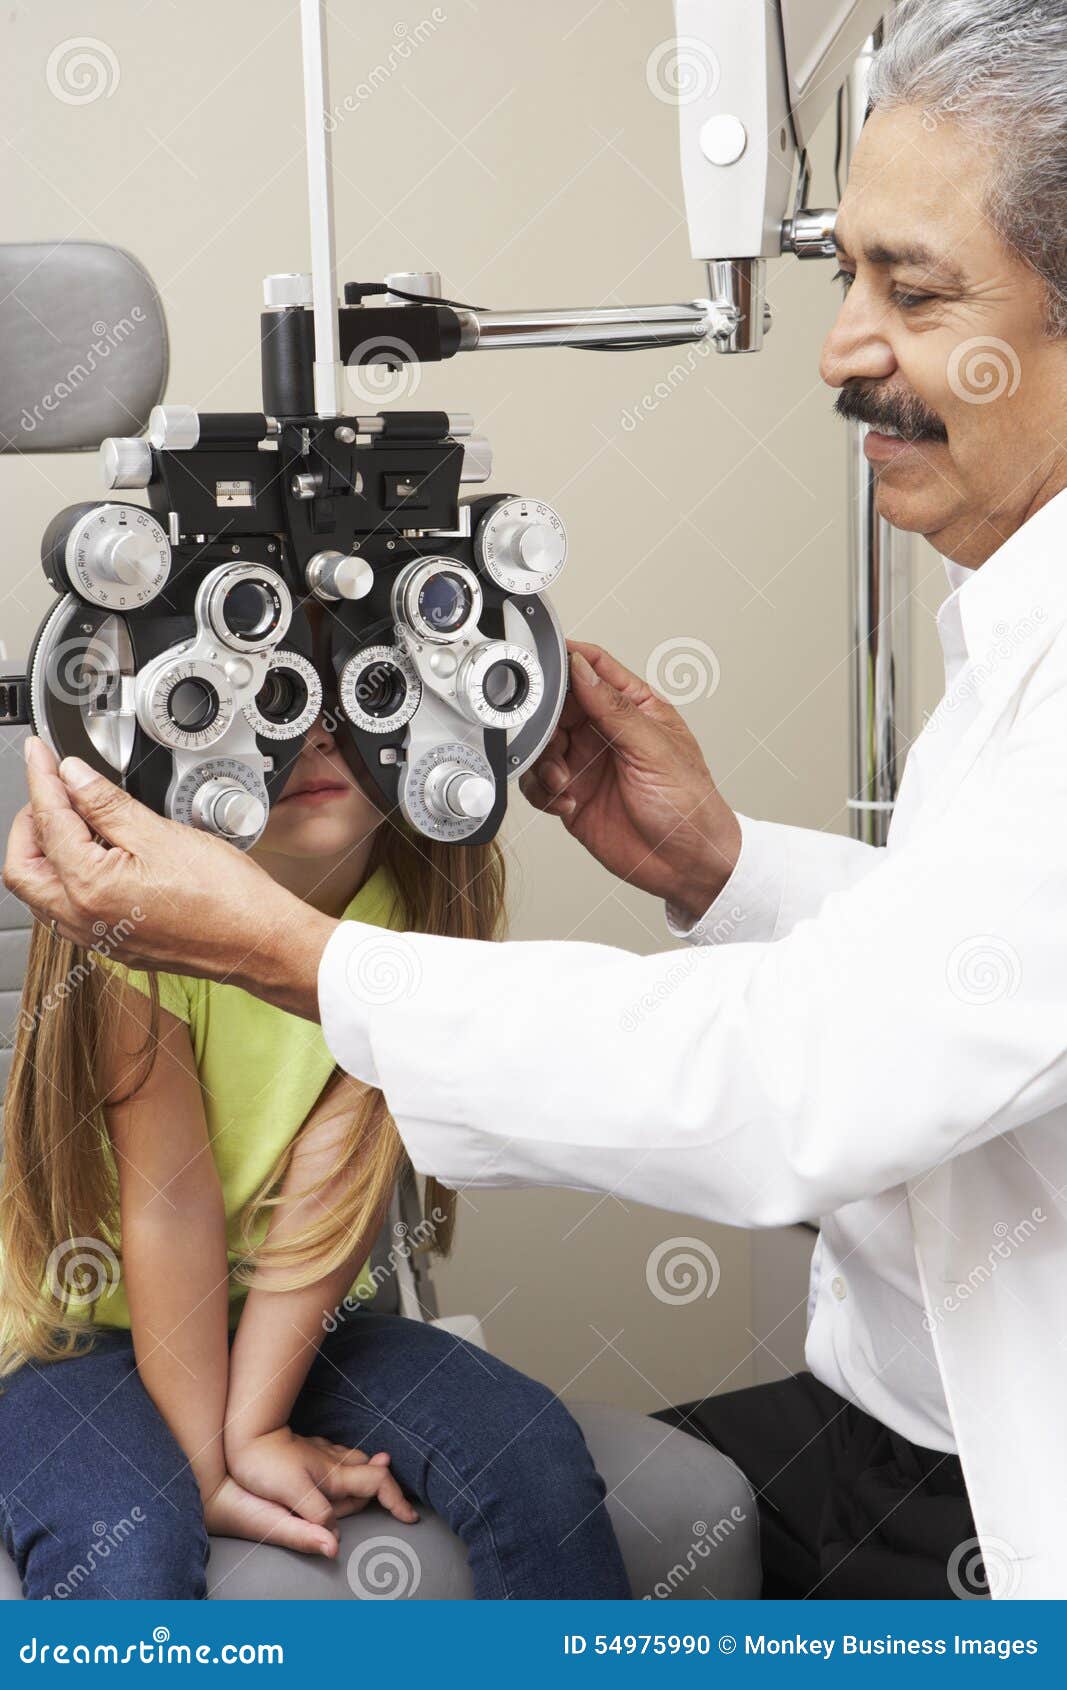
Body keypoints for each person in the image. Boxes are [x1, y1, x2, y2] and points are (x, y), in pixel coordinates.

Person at [6, 0, 1067, 1598]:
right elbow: (963, 974)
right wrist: (716, 867)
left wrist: (305, 963)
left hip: (987, 1472)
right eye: (841, 274)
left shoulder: (373, 905)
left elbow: (818, 1079)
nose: (840, 345)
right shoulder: (1005, 617)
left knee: (548, 1485)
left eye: (907, 290)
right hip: (890, 1425)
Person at [0, 709, 630, 1600]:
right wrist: (211, 1469)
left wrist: (253, 1425)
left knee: (525, 1448)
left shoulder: (412, 910)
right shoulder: (134, 912)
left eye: (357, 693)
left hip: (273, 1324)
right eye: (275, 703)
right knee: (127, 1537)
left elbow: (334, 1186)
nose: (318, 739)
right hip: (64, 1336)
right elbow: (168, 1201)